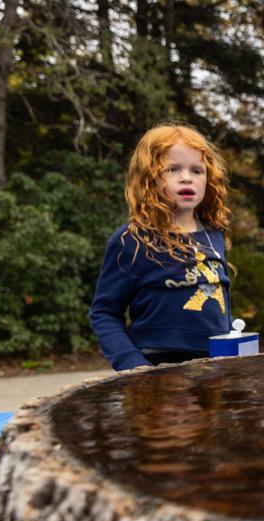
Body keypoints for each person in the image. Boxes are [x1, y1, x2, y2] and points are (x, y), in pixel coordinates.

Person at [89, 121, 235, 371]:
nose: (186, 177)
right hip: (156, 369)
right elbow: (104, 313)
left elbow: (220, 305)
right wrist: (132, 364)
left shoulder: (215, 235)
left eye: (197, 170)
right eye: (173, 169)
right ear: (149, 178)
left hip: (215, 369)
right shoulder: (131, 240)